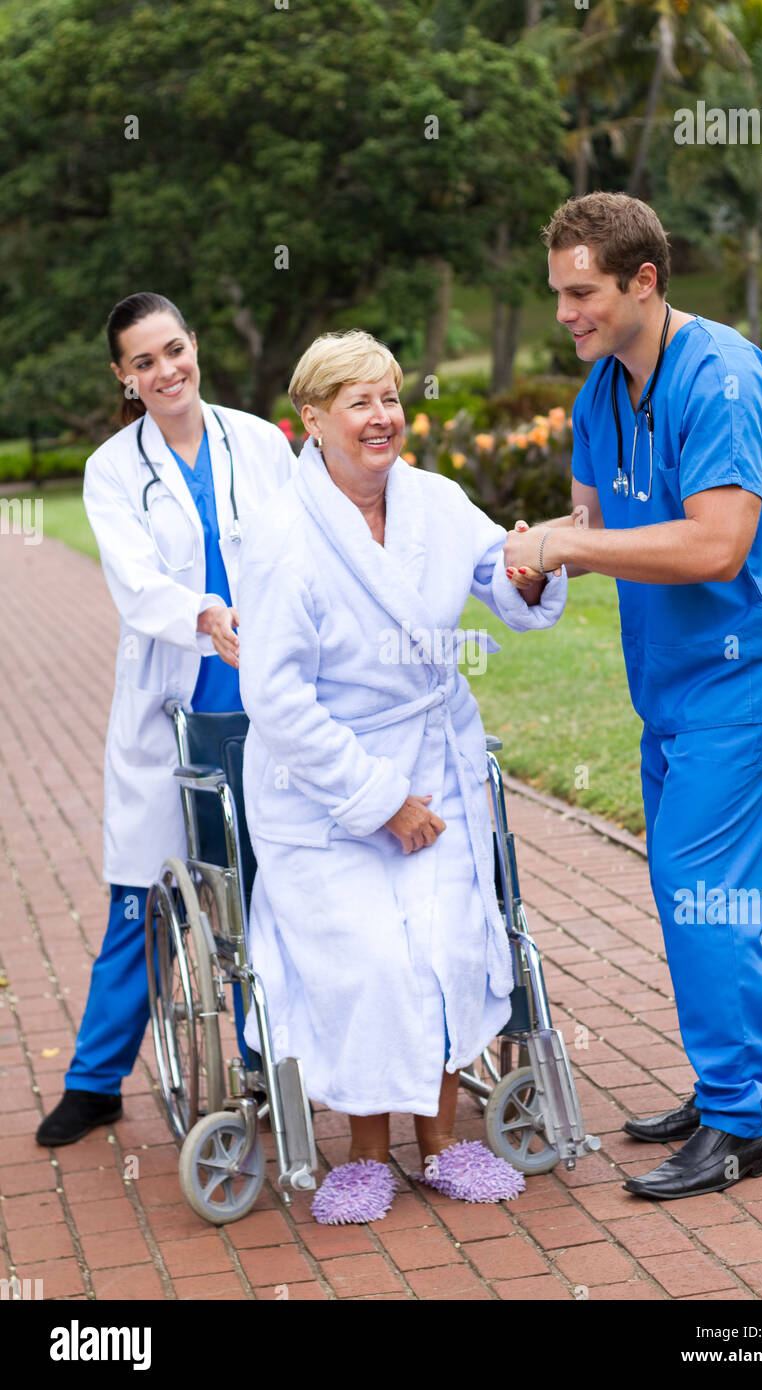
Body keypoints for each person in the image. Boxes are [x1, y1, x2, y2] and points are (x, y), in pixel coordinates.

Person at [504, 192, 762, 1200]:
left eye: (581, 292)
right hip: (671, 689)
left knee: (703, 894)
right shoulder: (601, 392)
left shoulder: (722, 377)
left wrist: (568, 544)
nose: (564, 311)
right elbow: (590, 522)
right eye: (556, 292)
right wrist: (538, 562)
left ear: (641, 282)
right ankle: (743, 1082)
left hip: (751, 678)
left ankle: (740, 1128)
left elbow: (713, 543)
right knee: (696, 892)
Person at [237, 330, 567, 1223]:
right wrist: (381, 803)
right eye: (360, 402)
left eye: (390, 397)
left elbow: (501, 579)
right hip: (323, 786)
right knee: (372, 958)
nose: (384, 417)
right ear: (311, 418)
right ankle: (366, 1155)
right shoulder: (278, 535)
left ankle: (444, 1144)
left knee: (448, 941)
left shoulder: (433, 500)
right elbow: (276, 700)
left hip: (434, 757)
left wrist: (531, 566)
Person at [36, 292, 294, 1146]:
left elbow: (304, 546)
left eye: (173, 350)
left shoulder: (259, 441)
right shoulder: (113, 468)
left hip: (264, 704)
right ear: (124, 376)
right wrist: (204, 614)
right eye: (143, 362)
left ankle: (264, 1060)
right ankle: (96, 1081)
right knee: (141, 901)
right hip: (171, 707)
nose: (165, 371)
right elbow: (137, 582)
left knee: (264, 886)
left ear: (195, 346)